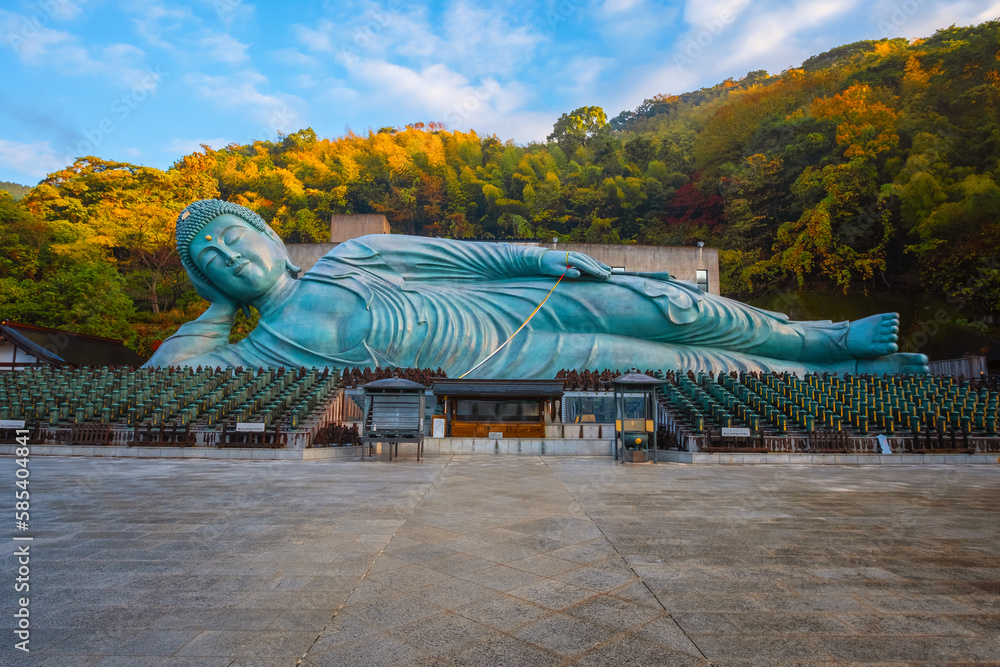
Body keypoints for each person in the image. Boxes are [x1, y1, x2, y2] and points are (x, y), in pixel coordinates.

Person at [146, 199, 929, 378]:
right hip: (496, 364)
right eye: (209, 257)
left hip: (511, 302)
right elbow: (167, 379)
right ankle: (837, 373)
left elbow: (470, 258)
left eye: (231, 234)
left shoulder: (359, 254)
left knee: (667, 306)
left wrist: (540, 258)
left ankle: (818, 335)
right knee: (672, 364)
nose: (227, 254)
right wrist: (217, 313)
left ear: (267, 232)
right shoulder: (260, 347)